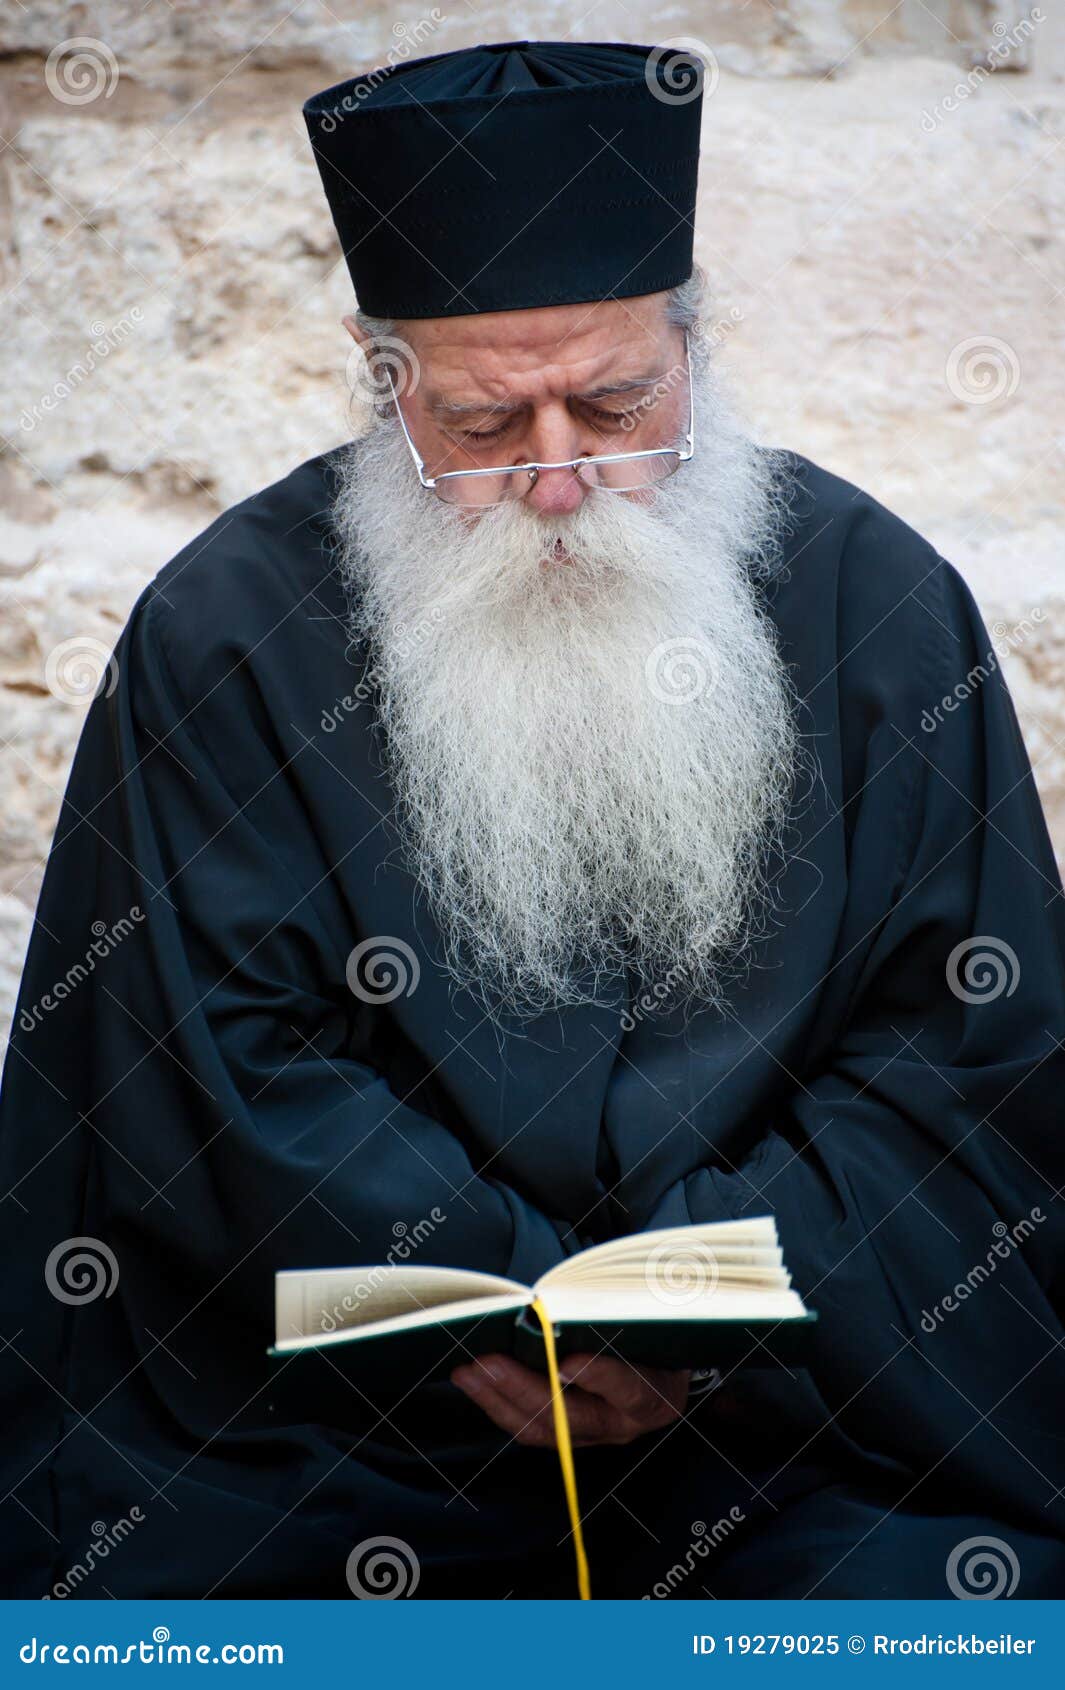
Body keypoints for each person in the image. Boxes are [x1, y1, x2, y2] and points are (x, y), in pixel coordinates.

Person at [1, 39, 1063, 1600]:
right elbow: (206, 1061)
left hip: (810, 1418)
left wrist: (695, 1318)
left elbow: (954, 1058)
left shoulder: (874, 608)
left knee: (943, 1596)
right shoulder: (229, 631)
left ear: (691, 357)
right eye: (489, 428)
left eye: (615, 403)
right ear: (391, 393)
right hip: (342, 1431)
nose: (561, 479)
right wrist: (514, 1295)